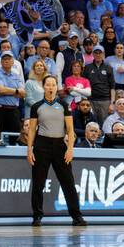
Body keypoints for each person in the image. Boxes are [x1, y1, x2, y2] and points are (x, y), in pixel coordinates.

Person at [25, 75, 85, 225]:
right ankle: (37, 216)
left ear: (56, 87)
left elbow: (70, 130)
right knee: (38, 183)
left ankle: (76, 216)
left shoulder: (64, 105)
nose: (50, 87)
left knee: (68, 183)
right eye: (48, 85)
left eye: (53, 85)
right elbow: (32, 130)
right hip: (41, 145)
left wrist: (70, 149)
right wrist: (29, 149)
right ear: (43, 87)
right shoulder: (36, 106)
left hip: (60, 145)